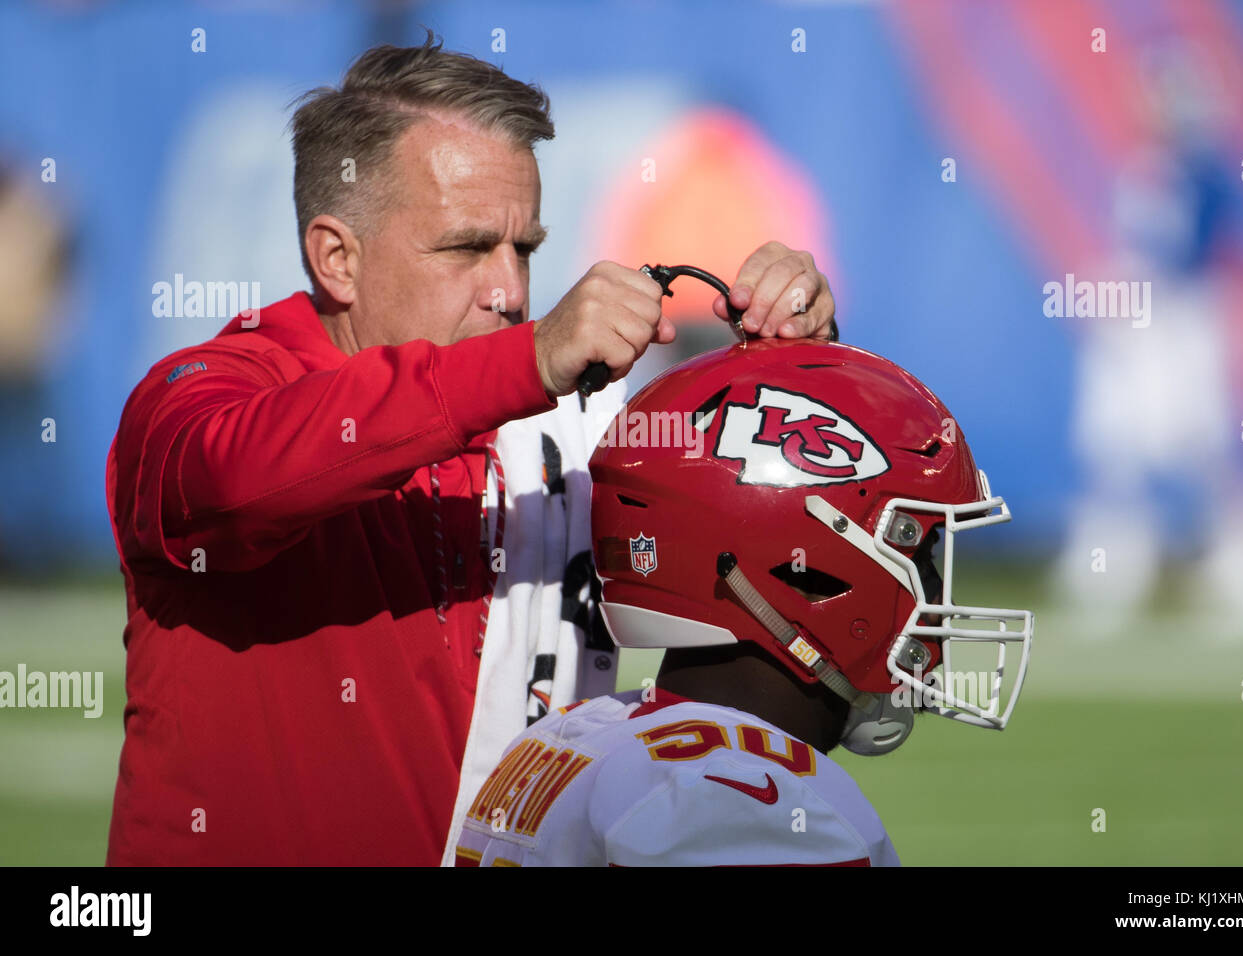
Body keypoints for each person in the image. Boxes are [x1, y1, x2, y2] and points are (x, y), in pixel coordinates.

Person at [104, 33, 837, 865]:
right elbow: (230, 480)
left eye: (523, 248)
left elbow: (775, 568)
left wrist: (790, 362)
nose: (513, 291)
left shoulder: (564, 418)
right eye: (466, 248)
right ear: (336, 258)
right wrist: (524, 365)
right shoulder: (205, 394)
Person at [453, 337, 1034, 866]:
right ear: (805, 568)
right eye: (915, 548)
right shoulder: (738, 798)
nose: (936, 595)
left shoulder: (565, 738)